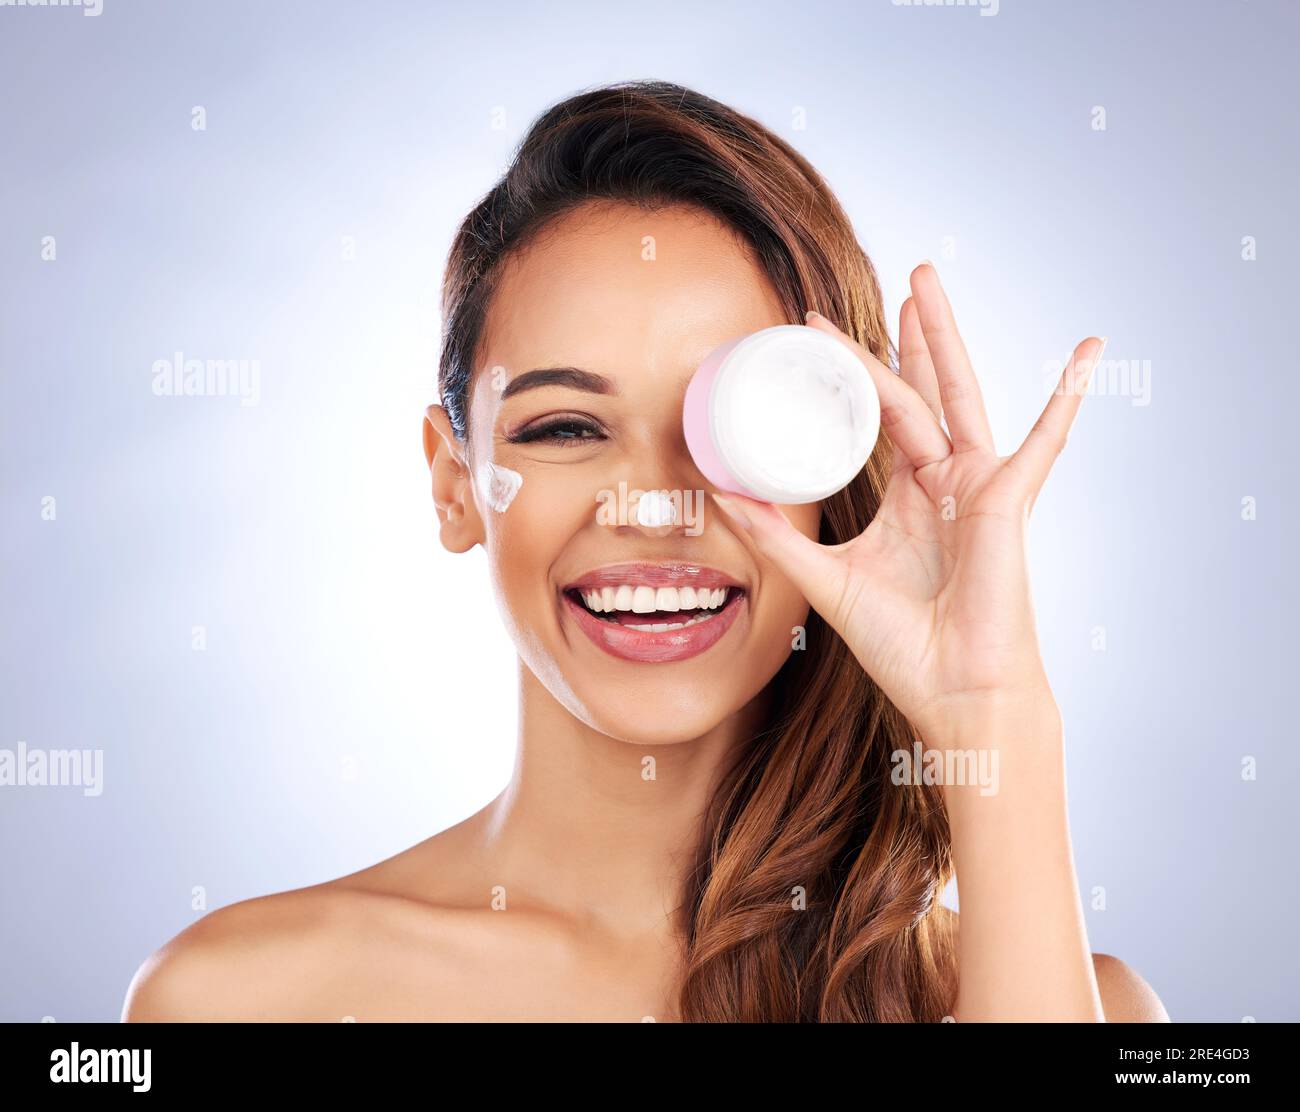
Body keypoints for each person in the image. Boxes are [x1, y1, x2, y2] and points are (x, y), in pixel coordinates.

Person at [123, 80, 1169, 1022]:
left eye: (729, 428)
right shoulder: (243, 997)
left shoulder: (1070, 1004)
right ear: (455, 483)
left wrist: (992, 716)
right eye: (566, 427)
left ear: (832, 475)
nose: (656, 504)